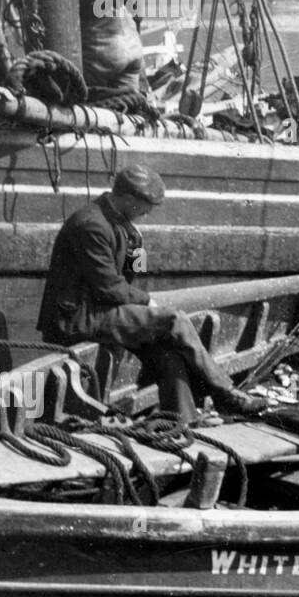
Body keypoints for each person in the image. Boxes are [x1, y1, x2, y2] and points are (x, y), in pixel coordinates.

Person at [36, 165, 267, 421]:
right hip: (78, 317)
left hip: (104, 310)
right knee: (174, 321)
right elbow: (109, 287)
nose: (148, 213)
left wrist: (137, 247)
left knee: (167, 354)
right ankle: (225, 393)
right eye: (146, 206)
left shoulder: (122, 224)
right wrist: (147, 302)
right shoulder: (90, 225)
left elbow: (133, 279)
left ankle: (182, 420)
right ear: (127, 199)